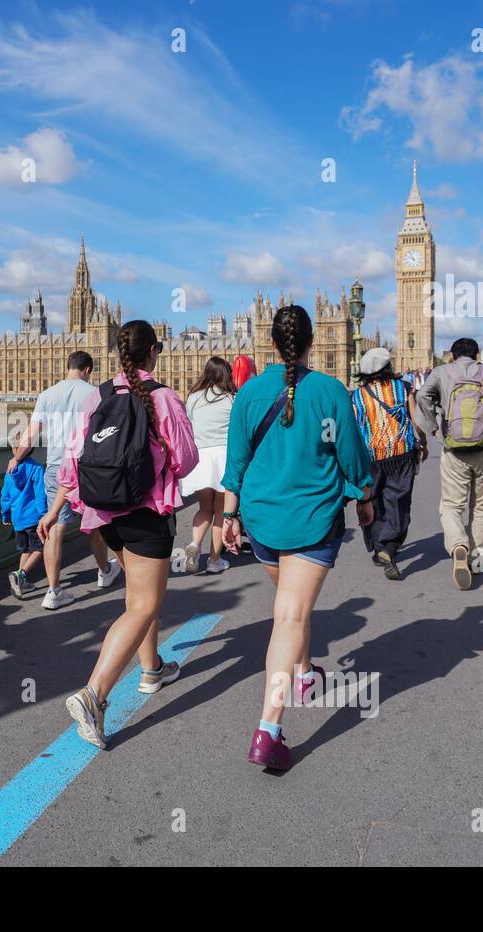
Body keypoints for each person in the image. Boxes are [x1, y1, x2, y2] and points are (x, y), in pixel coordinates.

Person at [221, 306, 373, 771]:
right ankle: (269, 729)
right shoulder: (331, 391)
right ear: (311, 344)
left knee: (292, 605)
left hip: (262, 522)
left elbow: (237, 462)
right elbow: (352, 457)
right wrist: (363, 495)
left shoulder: (248, 392)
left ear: (269, 344)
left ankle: (304, 674)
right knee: (289, 615)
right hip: (312, 519)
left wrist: (230, 515)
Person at [39, 320, 198, 749]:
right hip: (145, 513)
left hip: (104, 514)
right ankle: (94, 695)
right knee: (145, 602)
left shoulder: (97, 397)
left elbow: (73, 462)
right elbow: (185, 459)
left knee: (139, 600)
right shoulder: (163, 397)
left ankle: (151, 669)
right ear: (153, 353)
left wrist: (56, 507)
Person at [8, 351, 121, 610]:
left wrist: (16, 458)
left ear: (68, 367)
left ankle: (53, 590)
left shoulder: (47, 395)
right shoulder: (96, 394)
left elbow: (31, 434)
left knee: (54, 528)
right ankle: (104, 572)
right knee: (94, 524)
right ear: (88, 369)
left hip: (56, 467)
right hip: (88, 468)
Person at [417, 337, 483, 590]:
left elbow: (422, 395)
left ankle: (458, 546)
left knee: (451, 506)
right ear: (477, 354)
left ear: (453, 356)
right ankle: (477, 563)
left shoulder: (442, 372)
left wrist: (435, 427)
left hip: (454, 450)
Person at [350, 347, 429, 580]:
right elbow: (417, 421)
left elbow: (352, 430)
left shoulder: (356, 396)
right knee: (398, 501)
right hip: (400, 454)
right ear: (388, 368)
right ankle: (389, 546)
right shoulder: (403, 388)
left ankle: (377, 546)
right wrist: (423, 444)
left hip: (370, 458)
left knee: (372, 501)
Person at [179, 356, 237, 574]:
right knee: (221, 512)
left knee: (204, 508)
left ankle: (194, 544)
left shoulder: (193, 398)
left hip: (200, 458)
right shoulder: (231, 398)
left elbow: (188, 425)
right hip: (222, 458)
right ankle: (214, 561)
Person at [1, 454, 47, 598]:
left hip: (18, 519)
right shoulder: (37, 468)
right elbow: (40, 495)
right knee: (40, 547)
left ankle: (21, 582)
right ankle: (20, 574)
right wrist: (43, 515)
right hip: (33, 518)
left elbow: (5, 496)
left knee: (26, 550)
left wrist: (5, 515)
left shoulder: (9, 471)